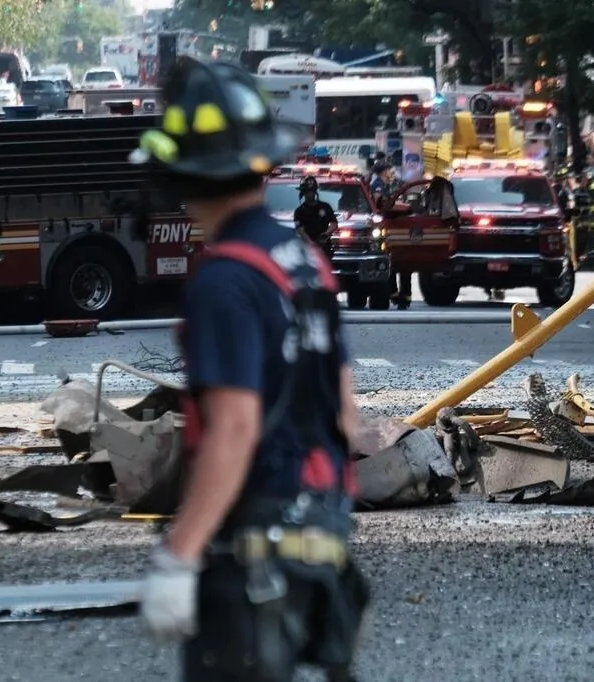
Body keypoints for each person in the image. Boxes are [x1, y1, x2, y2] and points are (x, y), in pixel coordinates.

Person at [128, 56, 369, 682]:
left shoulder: (225, 280)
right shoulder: (305, 262)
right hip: (323, 536)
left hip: (253, 551)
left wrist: (180, 555)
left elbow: (234, 429)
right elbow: (345, 413)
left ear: (184, 172)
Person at [294, 175, 338, 244]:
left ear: (315, 191)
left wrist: (326, 234)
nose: (310, 193)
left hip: (325, 248)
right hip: (309, 249)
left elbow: (334, 223)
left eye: (312, 191)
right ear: (303, 192)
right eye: (308, 191)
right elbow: (300, 230)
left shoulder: (326, 207)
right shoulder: (299, 211)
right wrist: (312, 245)